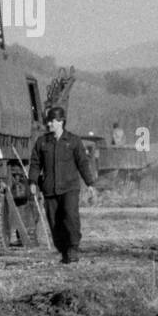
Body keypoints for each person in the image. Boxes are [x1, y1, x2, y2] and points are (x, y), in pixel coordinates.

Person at [28, 106, 97, 264]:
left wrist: (90, 184)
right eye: (49, 121)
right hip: (50, 188)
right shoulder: (42, 142)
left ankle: (73, 248)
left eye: (52, 121)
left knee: (70, 217)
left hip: (70, 188)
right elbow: (35, 164)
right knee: (54, 221)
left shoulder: (73, 141)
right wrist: (32, 181)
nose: (49, 124)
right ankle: (63, 250)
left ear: (60, 122)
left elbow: (83, 163)